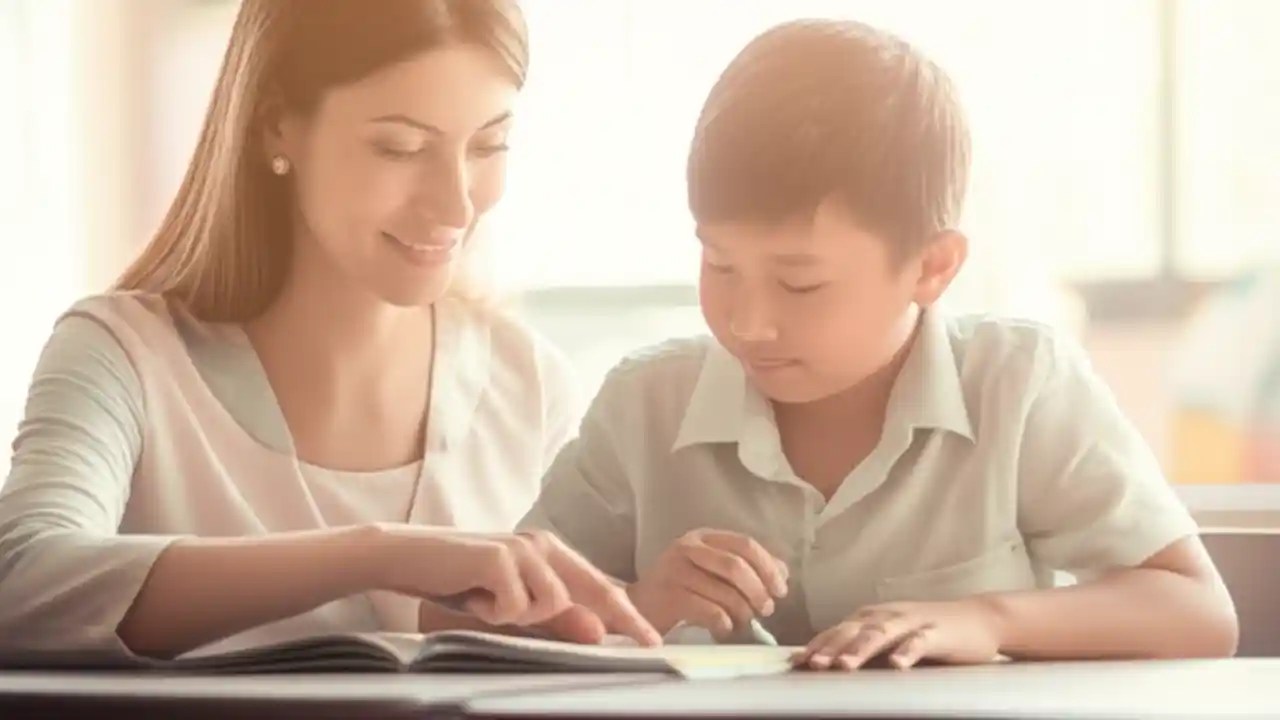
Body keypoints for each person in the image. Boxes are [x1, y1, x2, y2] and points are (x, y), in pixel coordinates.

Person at [518, 19, 1239, 669]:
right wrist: (640, 602)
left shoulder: (1018, 383)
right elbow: (458, 614)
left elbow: (1197, 612)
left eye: (800, 285)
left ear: (933, 267)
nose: (747, 322)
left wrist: (986, 620)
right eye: (720, 265)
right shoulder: (646, 402)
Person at [0, 0, 657, 663]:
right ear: (275, 129)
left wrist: (646, 610)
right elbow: (20, 585)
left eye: (489, 145)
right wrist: (375, 554)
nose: (456, 202)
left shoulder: (528, 382)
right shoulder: (123, 356)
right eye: (400, 147)